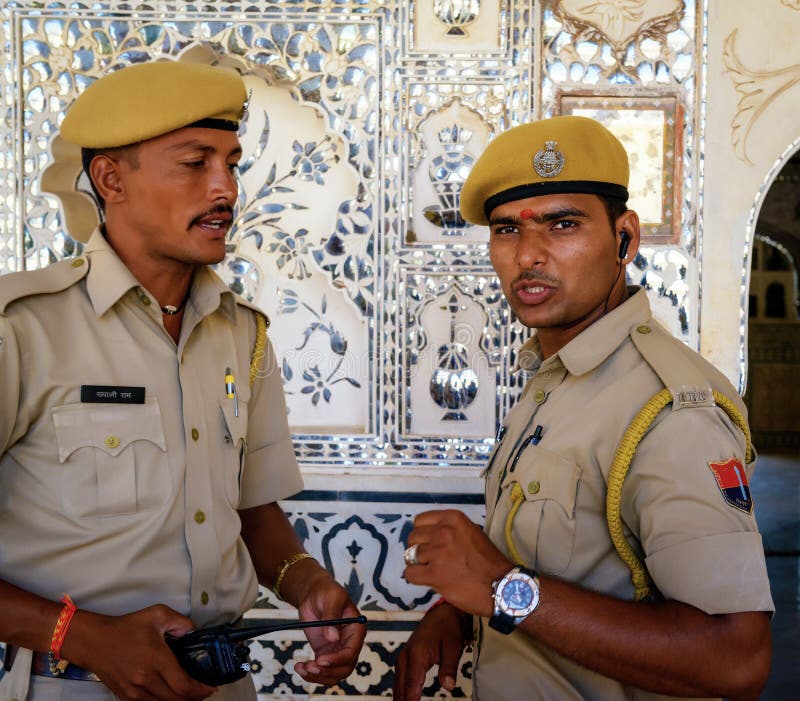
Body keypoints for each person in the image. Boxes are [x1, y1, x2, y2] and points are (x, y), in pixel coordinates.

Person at [0, 61, 365, 701]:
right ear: (111, 178)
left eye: (231, 162)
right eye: (195, 163)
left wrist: (308, 584)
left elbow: (252, 514)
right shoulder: (24, 330)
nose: (225, 187)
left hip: (222, 686)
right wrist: (81, 635)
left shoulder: (241, 334)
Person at [394, 116, 774, 701]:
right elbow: (563, 568)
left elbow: (736, 658)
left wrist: (498, 588)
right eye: (506, 231)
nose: (529, 256)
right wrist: (458, 609)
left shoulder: (670, 409)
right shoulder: (556, 377)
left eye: (563, 225)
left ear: (625, 238)